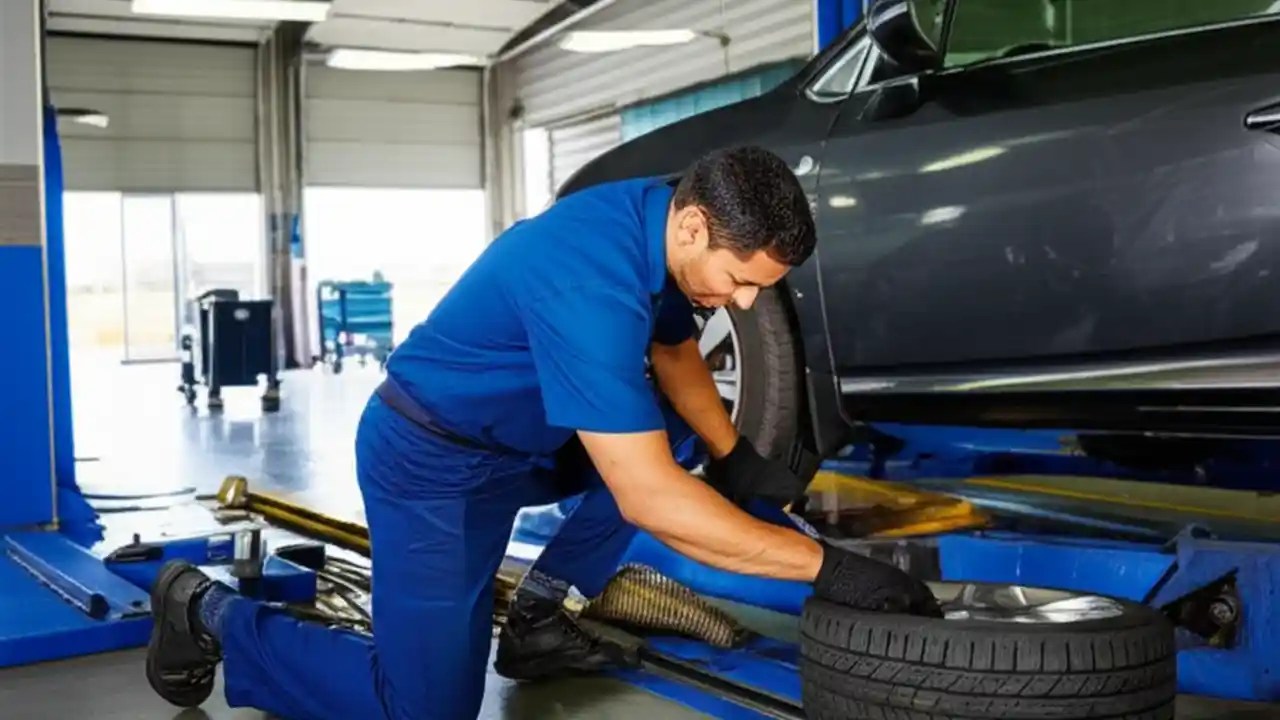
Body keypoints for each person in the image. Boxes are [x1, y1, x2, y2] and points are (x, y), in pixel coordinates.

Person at [144, 146, 941, 720]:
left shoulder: (656, 220)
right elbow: (650, 499)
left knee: (679, 430)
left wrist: (736, 460)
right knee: (421, 709)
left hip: (523, 445)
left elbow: (670, 346)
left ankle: (539, 614)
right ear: (696, 226)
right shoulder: (588, 276)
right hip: (433, 466)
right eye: (738, 282)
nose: (738, 304)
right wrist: (825, 569)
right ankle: (204, 611)